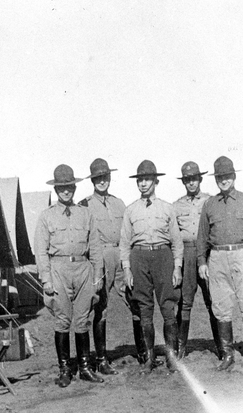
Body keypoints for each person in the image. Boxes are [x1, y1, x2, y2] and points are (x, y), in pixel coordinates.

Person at [34, 164, 105, 387]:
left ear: (74, 187)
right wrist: (46, 279)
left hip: (83, 269)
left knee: (82, 319)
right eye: (62, 188)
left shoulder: (85, 214)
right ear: (56, 190)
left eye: (70, 187)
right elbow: (41, 251)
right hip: (59, 271)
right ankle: (65, 369)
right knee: (62, 319)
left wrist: (98, 275)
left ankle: (84, 367)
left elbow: (95, 246)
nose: (66, 191)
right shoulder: (46, 217)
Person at [197, 156, 243, 371]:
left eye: (227, 176)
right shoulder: (210, 204)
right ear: (216, 179)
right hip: (217, 258)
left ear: (234, 176)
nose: (223, 180)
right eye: (219, 177)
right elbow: (202, 237)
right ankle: (227, 355)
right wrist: (202, 262)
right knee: (221, 307)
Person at [119, 160, 184, 373]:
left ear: (155, 181)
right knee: (144, 309)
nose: (143, 184)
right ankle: (148, 357)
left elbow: (176, 241)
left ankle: (171, 356)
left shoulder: (167, 208)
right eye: (140, 180)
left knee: (167, 307)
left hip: (163, 256)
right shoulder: (130, 211)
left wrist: (177, 267)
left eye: (147, 179)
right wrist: (127, 269)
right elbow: (124, 243)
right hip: (139, 258)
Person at [77, 158, 133, 374]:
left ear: (110, 177)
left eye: (105, 177)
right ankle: (101, 359)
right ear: (92, 180)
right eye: (98, 178)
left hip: (122, 254)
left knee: (134, 298)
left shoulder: (119, 203)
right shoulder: (84, 205)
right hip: (100, 257)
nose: (102, 181)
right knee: (100, 306)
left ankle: (144, 353)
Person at [172, 161, 221, 360]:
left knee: (213, 299)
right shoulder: (176, 205)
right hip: (187, 252)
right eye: (187, 180)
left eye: (194, 179)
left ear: (200, 179)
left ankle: (221, 347)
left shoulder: (210, 201)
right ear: (183, 182)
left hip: (207, 253)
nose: (191, 183)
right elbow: (173, 235)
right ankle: (180, 348)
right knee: (185, 302)